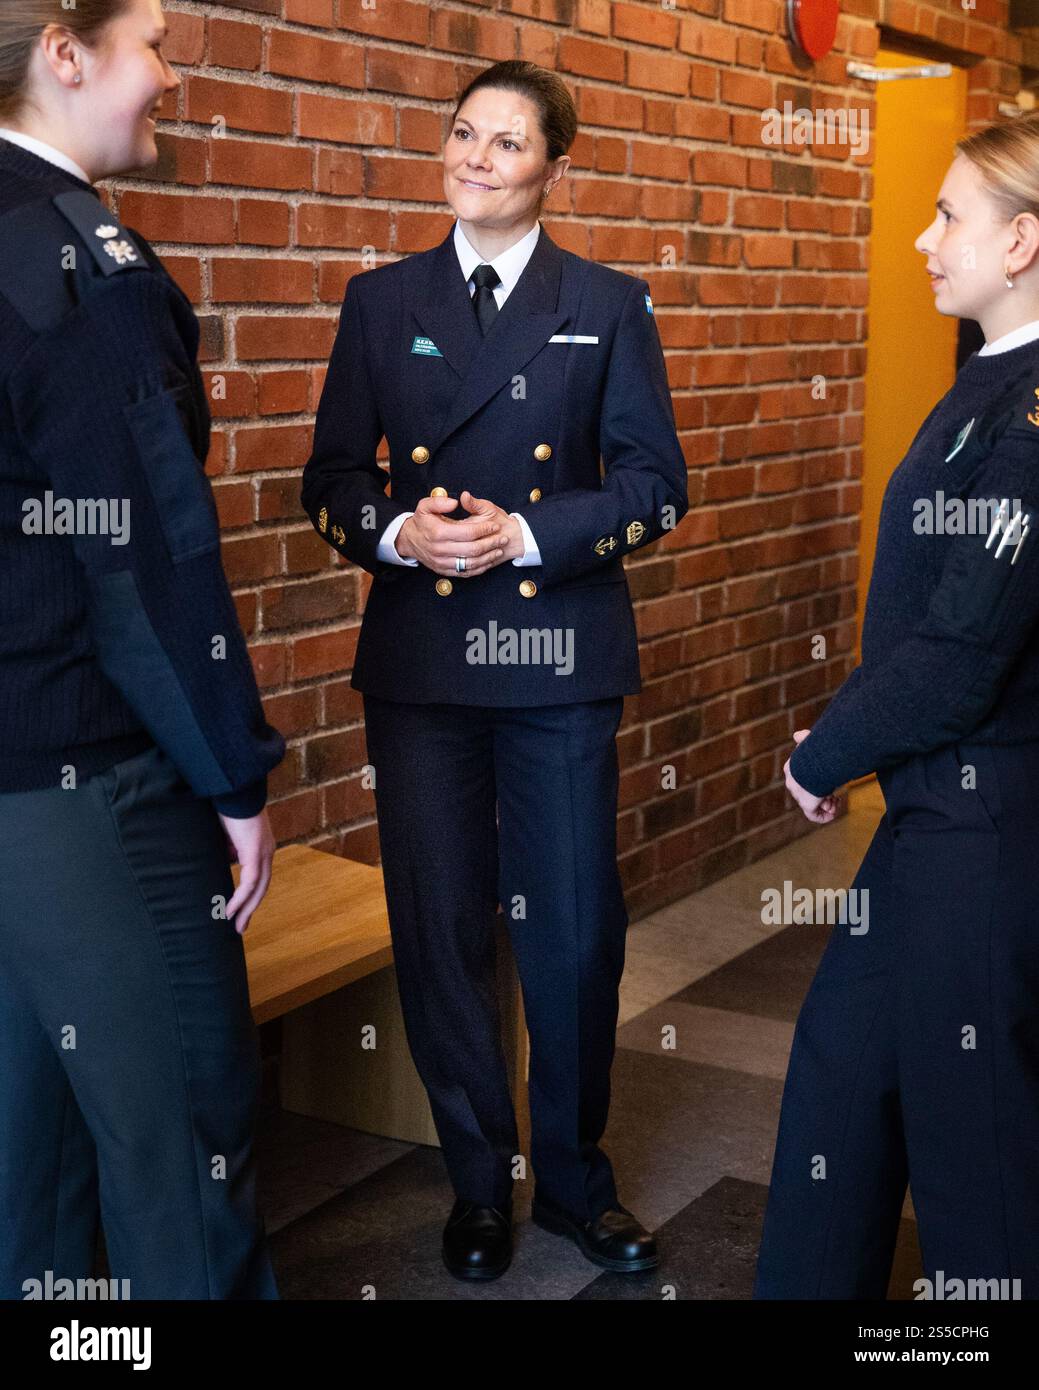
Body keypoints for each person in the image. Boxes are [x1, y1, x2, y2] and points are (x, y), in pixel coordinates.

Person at [302, 60, 689, 1280]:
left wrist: (526, 534)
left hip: (557, 655)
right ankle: (478, 1184)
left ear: (553, 169)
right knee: (441, 927)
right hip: (422, 664)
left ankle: (573, 1180)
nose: (474, 157)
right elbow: (329, 480)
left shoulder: (608, 303)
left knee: (573, 930)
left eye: (506, 143)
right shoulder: (379, 300)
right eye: (462, 134)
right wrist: (396, 532)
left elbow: (654, 485)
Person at [0, 0, 284, 1299]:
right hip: (93, 780)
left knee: (30, 1153)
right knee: (184, 1141)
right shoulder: (78, 273)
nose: (170, 74)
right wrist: (235, 781)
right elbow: (152, 570)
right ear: (63, 52)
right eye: (152, 45)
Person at [755, 111, 1039, 1299]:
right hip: (928, 818)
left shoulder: (1029, 418)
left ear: (1022, 240)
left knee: (974, 1164)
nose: (923, 238)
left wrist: (828, 750)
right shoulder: (987, 380)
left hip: (982, 835)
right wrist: (853, 735)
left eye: (947, 216)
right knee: (840, 1085)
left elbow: (963, 651)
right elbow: (927, 622)